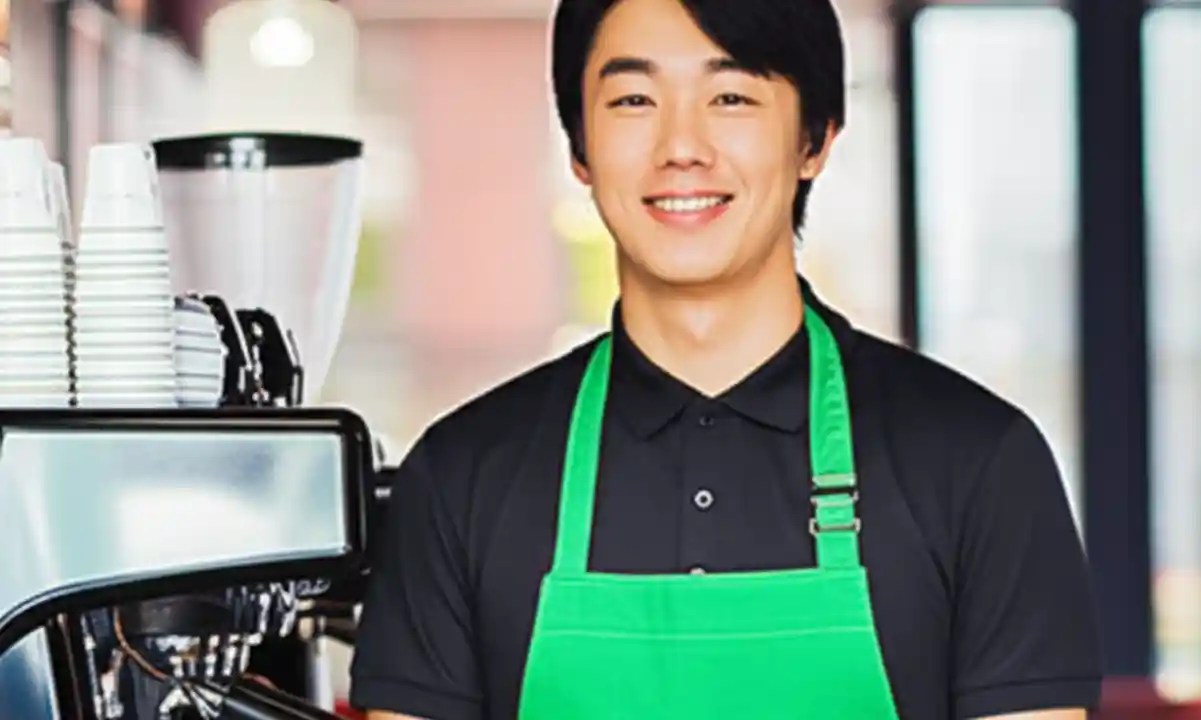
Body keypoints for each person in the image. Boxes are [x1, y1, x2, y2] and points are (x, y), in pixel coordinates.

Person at [348, 0, 1102, 717]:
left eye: (732, 97)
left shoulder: (980, 465)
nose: (682, 147)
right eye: (633, 101)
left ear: (816, 139)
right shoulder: (459, 479)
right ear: (579, 145)